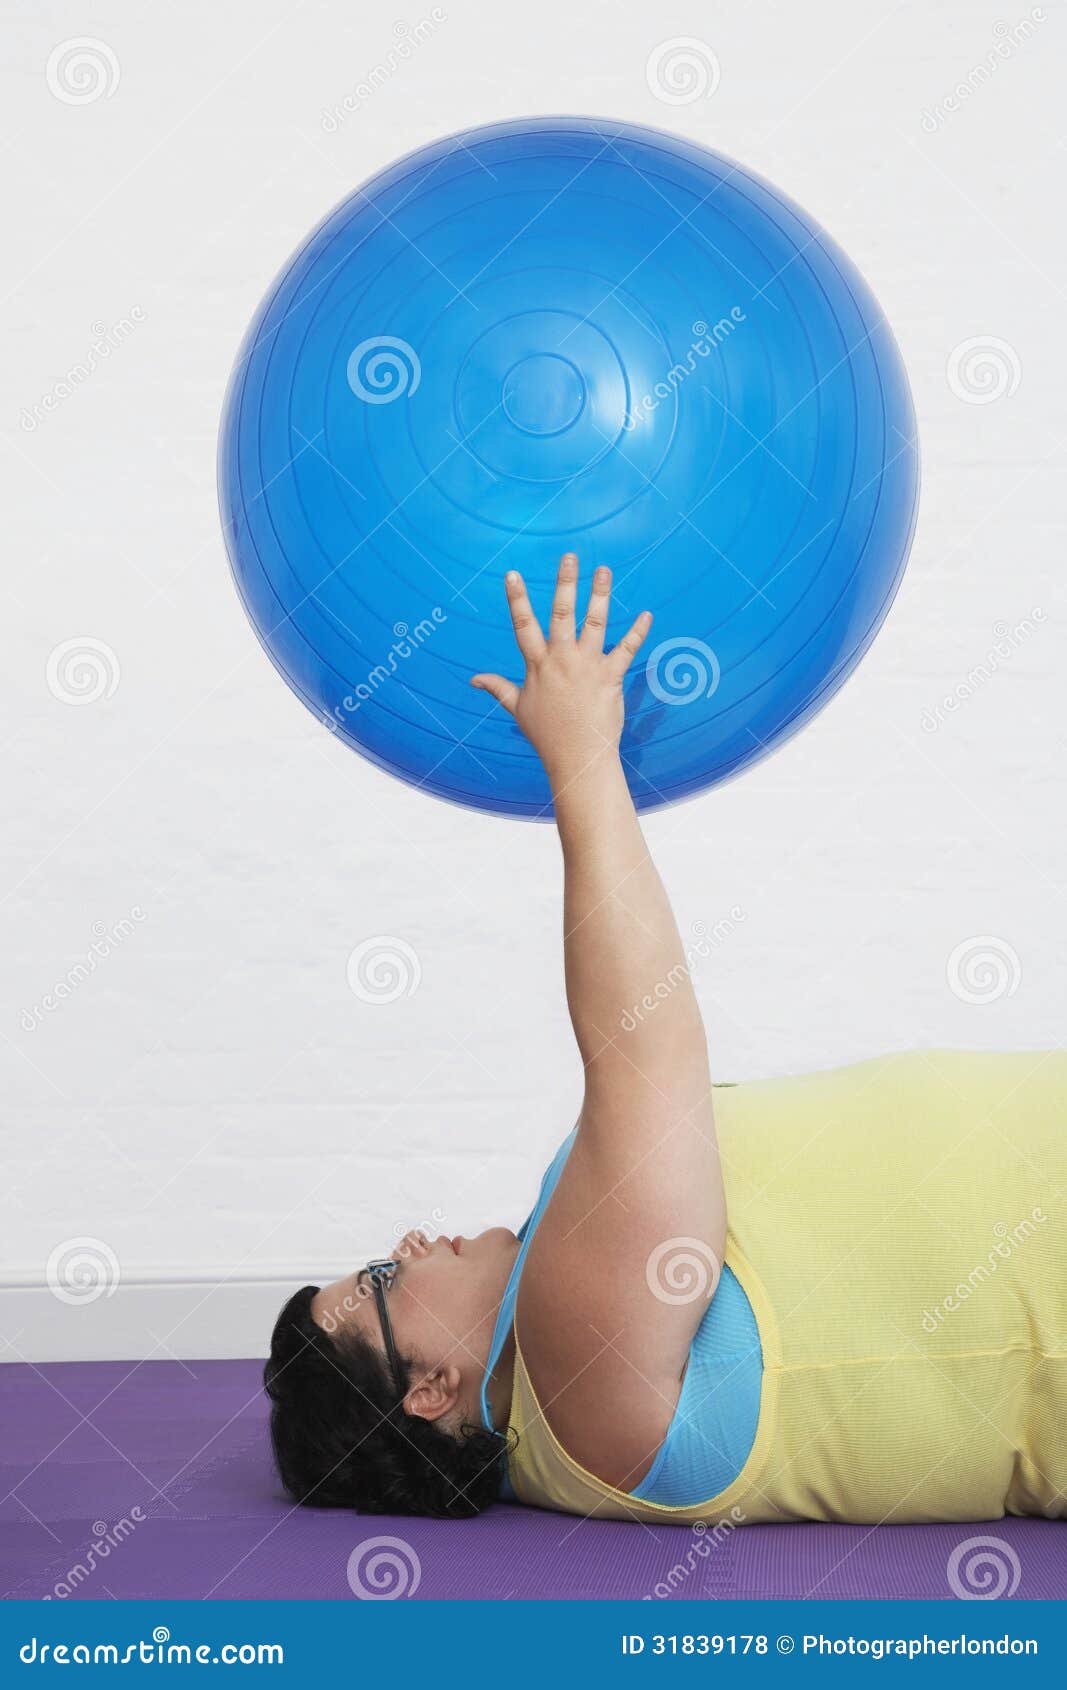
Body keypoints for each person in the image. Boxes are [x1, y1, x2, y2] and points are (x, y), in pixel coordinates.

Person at [266, 554, 1065, 1526]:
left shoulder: (565, 1360)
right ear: (428, 1389)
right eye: (384, 1277)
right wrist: (578, 754)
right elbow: (642, 1047)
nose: (410, 1242)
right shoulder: (575, 1373)